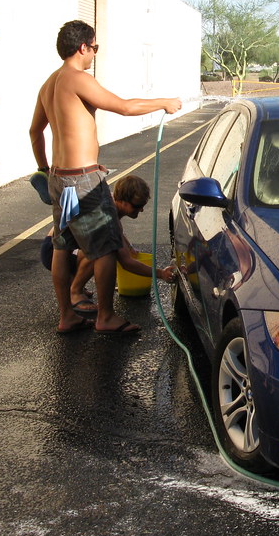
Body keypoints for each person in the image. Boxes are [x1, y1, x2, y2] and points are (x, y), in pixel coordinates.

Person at [29, 20, 181, 335]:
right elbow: (124, 107)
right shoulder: (78, 79)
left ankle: (67, 316)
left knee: (61, 246)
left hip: (59, 179)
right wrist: (163, 103)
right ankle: (106, 316)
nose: (95, 53)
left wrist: (44, 170)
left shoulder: (49, 83)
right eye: (94, 47)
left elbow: (34, 132)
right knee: (106, 247)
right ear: (83, 47)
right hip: (83, 180)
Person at [39, 175, 176, 325]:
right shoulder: (108, 215)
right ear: (122, 201)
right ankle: (75, 291)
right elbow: (127, 263)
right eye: (137, 206)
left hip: (60, 246)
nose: (142, 209)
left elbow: (118, 234)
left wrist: (129, 246)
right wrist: (161, 273)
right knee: (103, 251)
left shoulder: (109, 202)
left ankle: (75, 284)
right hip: (52, 250)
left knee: (101, 244)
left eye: (143, 205)